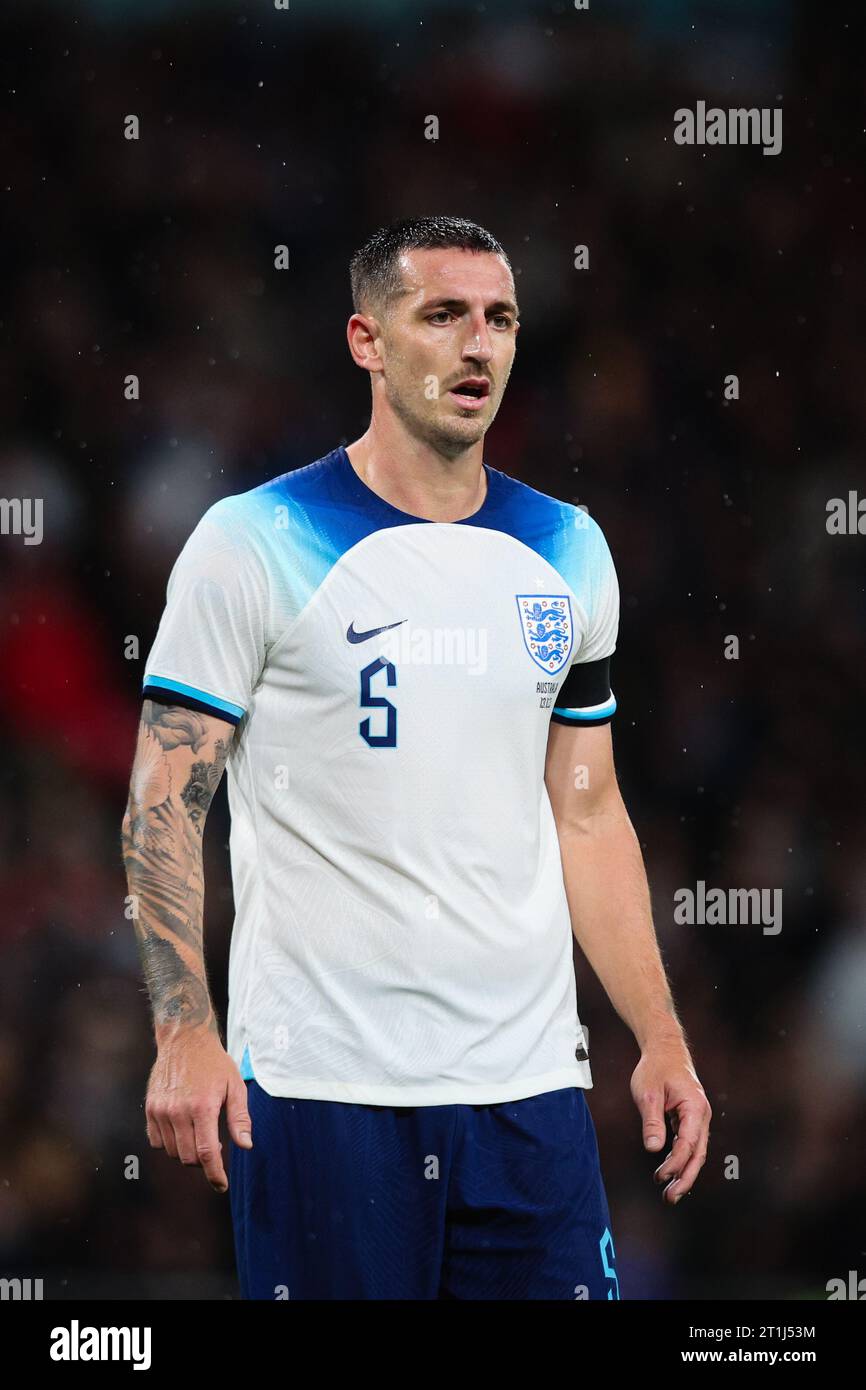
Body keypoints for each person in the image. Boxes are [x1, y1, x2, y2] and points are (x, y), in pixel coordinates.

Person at [121, 214, 711, 1300]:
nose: (475, 343)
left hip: (528, 1093)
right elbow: (163, 798)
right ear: (367, 341)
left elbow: (586, 813)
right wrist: (183, 1029)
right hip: (320, 1091)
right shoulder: (252, 540)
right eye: (440, 315)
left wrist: (658, 1034)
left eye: (498, 319)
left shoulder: (569, 548)